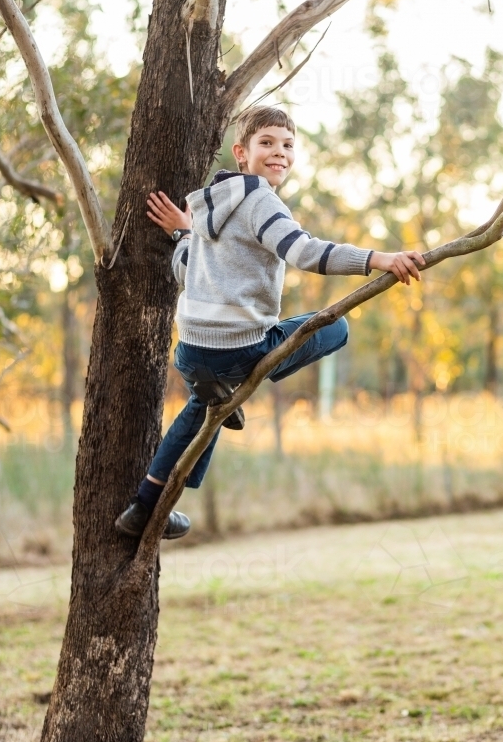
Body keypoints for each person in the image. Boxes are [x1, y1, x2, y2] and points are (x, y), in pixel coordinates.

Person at [115, 106, 425, 539]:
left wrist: (183, 233)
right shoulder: (260, 200)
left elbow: (186, 270)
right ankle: (235, 389)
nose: (279, 152)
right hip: (239, 347)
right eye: (267, 143)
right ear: (241, 153)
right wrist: (379, 258)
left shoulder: (208, 207)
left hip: (191, 346)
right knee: (335, 328)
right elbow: (304, 251)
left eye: (288, 144)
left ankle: (145, 506)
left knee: (207, 408)